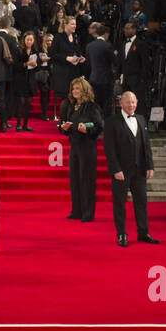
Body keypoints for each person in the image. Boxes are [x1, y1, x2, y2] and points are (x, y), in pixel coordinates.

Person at [103, 90, 158, 247]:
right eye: (128, 102)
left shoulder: (140, 119)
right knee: (119, 203)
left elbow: (146, 145)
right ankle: (121, 234)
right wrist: (115, 169)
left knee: (141, 202)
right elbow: (109, 149)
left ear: (137, 102)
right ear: (121, 103)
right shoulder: (112, 121)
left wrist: (150, 165)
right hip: (121, 171)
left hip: (140, 170)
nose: (131, 105)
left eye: (133, 102)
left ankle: (144, 232)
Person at [58, 77, 103, 222]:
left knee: (87, 179)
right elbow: (65, 125)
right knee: (75, 179)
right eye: (73, 89)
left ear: (84, 90)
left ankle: (88, 213)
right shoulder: (72, 106)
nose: (75, 91)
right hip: (75, 146)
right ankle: (76, 211)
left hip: (88, 147)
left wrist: (87, 130)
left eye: (78, 88)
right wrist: (64, 128)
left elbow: (99, 126)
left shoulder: (92, 107)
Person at [49, 16, 86, 119]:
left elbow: (77, 51)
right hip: (62, 73)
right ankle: (63, 121)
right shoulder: (58, 37)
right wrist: (66, 58)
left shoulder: (75, 37)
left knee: (74, 98)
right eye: (72, 24)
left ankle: (71, 120)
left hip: (74, 72)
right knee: (66, 98)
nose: (75, 26)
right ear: (65, 25)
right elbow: (52, 55)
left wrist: (80, 57)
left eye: (75, 24)